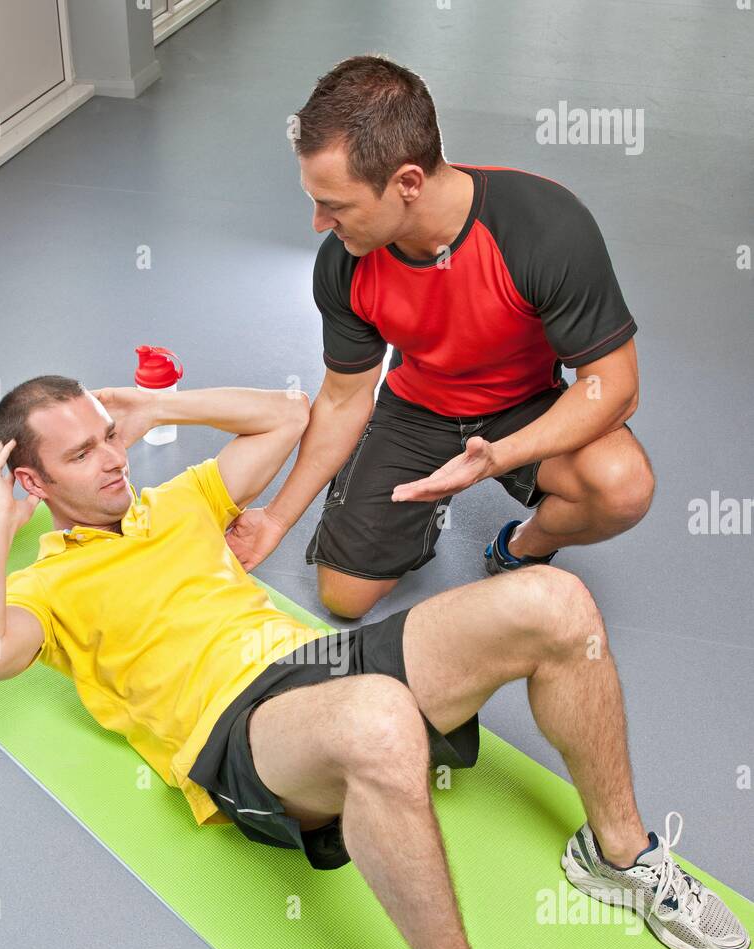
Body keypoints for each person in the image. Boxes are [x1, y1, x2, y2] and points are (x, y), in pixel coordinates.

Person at [0, 377, 747, 949]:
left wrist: (153, 407)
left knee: (556, 600)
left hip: (318, 658)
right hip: (241, 729)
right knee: (378, 721)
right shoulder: (44, 586)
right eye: (83, 453)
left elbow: (289, 415)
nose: (112, 459)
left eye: (107, 435)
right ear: (33, 478)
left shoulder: (177, 500)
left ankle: (615, 853)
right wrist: (1, 519)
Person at [224, 55, 654, 621]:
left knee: (622, 486)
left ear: (407, 182)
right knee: (343, 599)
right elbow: (344, 398)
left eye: (335, 205)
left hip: (520, 407)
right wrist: (275, 519)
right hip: (416, 412)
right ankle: (420, 508)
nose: (318, 223)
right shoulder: (344, 264)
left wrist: (496, 457)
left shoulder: (544, 227)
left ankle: (522, 545)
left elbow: (614, 387)